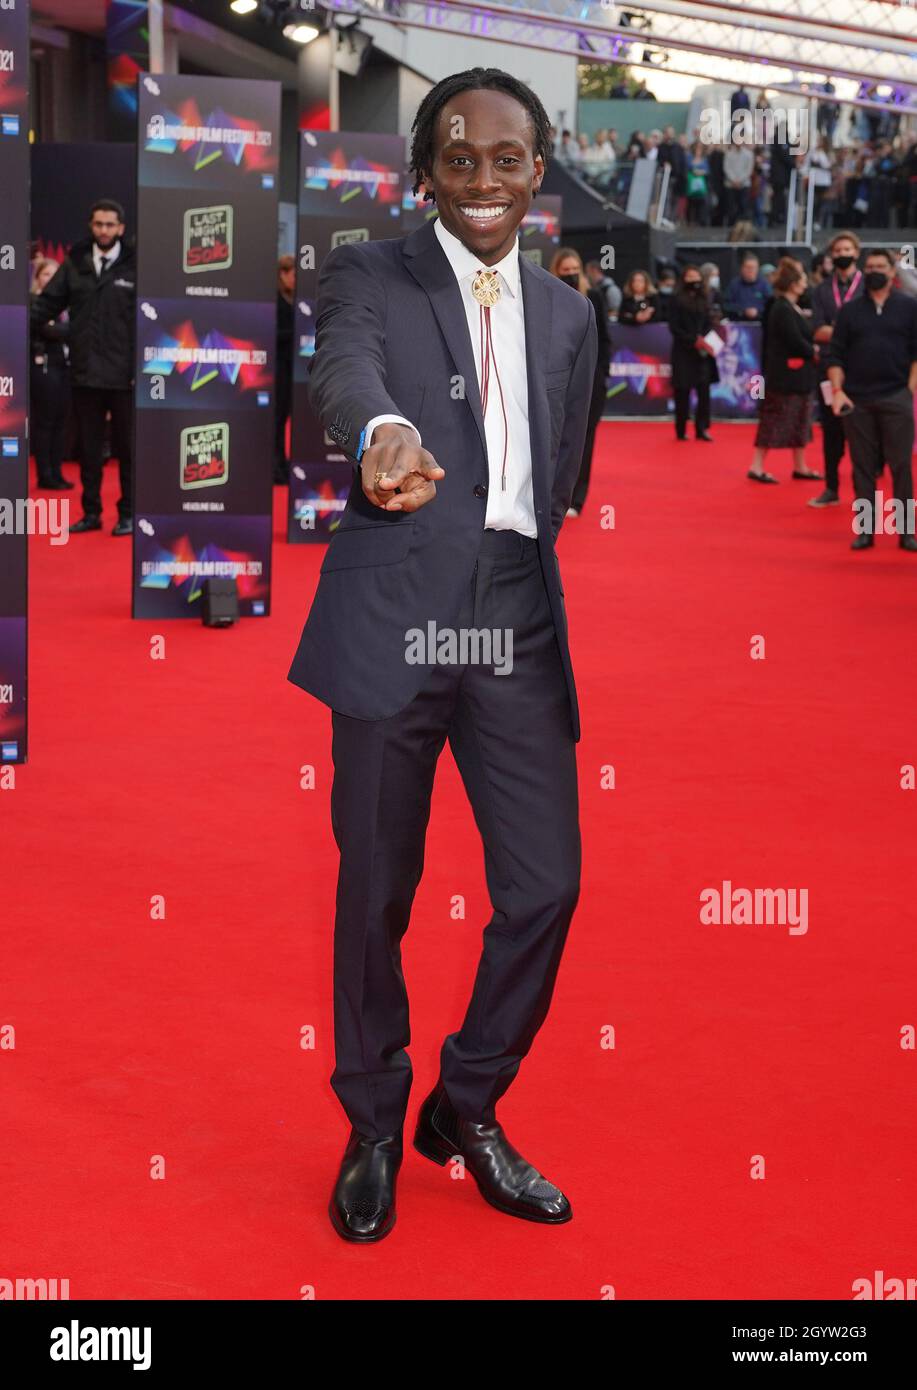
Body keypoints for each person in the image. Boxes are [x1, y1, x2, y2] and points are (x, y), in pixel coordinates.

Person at [287, 67, 597, 1242]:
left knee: (547, 884)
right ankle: (371, 1118)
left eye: (505, 159)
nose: (481, 180)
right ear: (425, 171)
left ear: (537, 173)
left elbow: (558, 475)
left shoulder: (570, 313)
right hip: (394, 614)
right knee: (376, 886)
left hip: (513, 615)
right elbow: (345, 370)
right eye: (457, 159)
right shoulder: (370, 270)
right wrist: (384, 432)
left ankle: (464, 1100)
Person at [31, 199, 135, 535]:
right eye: (98, 224)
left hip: (125, 376)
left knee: (128, 451)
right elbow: (47, 304)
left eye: (110, 224)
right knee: (88, 450)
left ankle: (129, 514)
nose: (104, 230)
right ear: (91, 226)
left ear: (120, 228)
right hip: (85, 372)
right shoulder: (75, 261)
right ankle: (91, 513)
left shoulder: (137, 263)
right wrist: (13, 323)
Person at [826, 247, 917, 552]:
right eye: (871, 266)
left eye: (881, 266)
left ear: (893, 272)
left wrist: (909, 391)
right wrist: (838, 391)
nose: (876, 270)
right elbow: (835, 354)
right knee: (862, 467)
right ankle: (866, 529)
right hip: (857, 400)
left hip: (896, 397)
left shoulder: (909, 307)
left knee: (901, 466)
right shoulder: (850, 311)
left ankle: (906, 531)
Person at [748, 259, 822, 484]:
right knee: (773, 420)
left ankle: (800, 465)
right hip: (784, 377)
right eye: (801, 280)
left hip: (798, 376)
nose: (805, 283)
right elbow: (794, 341)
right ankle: (757, 466)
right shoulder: (781, 308)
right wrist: (814, 351)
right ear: (792, 284)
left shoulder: (791, 306)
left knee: (801, 420)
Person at [551, 248, 610, 516]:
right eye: (566, 271)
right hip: (556, 379)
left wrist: (602, 374)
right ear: (556, 272)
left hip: (590, 380)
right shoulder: (547, 296)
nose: (572, 275)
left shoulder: (595, 296)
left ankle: (576, 498)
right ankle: (550, 494)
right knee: (553, 436)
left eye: (575, 270)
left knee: (584, 439)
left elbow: (606, 339)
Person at [808, 231, 864, 508]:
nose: (843, 254)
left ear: (857, 252)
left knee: (865, 432)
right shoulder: (820, 290)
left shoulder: (868, 285)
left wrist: (839, 332)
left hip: (865, 370)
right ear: (832, 255)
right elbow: (817, 331)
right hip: (829, 369)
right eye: (838, 250)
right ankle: (831, 487)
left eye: (847, 249)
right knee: (831, 431)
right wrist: (853, 332)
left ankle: (864, 493)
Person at [29, 258, 73, 491]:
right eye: (47, 275)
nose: (51, 280)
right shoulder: (34, 302)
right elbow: (50, 330)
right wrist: (71, 330)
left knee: (60, 422)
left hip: (65, 367)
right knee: (45, 422)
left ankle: (57, 472)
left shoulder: (66, 307)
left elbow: (63, 329)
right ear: (38, 278)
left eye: (56, 276)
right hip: (44, 367)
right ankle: (44, 474)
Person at [668, 264, 719, 441]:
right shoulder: (676, 299)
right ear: (684, 279)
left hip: (702, 353)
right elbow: (674, 327)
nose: (693, 281)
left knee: (704, 391)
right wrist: (692, 340)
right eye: (689, 277)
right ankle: (681, 429)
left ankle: (702, 428)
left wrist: (704, 339)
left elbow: (709, 322)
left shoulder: (705, 298)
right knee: (682, 392)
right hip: (683, 352)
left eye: (696, 277)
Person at [274, 255, 295, 485]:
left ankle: (282, 462)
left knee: (284, 419)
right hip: (277, 370)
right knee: (277, 421)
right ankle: (276, 465)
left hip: (289, 370)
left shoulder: (293, 300)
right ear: (283, 274)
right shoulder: (276, 301)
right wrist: (293, 333)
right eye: (293, 274)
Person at [724, 253, 771, 321]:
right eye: (748, 267)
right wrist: (742, 310)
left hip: (760, 323)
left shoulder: (764, 285)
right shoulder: (734, 285)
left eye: (753, 267)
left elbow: (770, 305)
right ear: (742, 268)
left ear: (758, 268)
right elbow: (726, 305)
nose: (750, 270)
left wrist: (758, 311)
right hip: (739, 324)